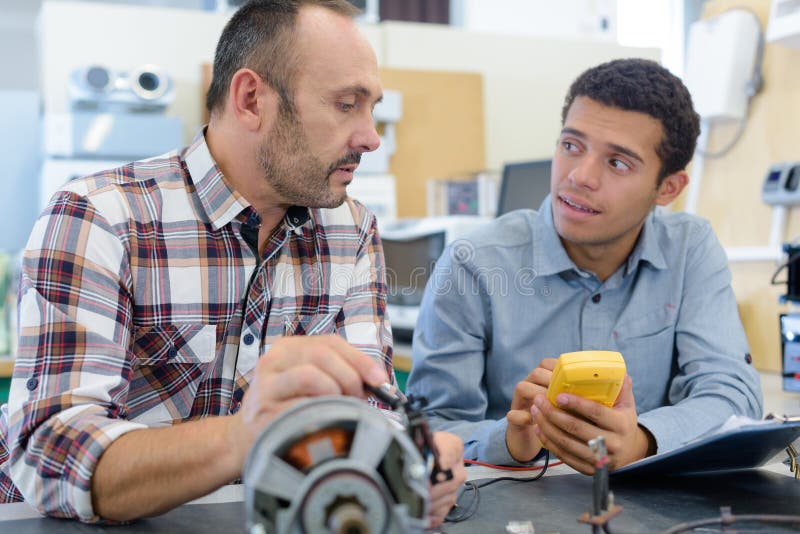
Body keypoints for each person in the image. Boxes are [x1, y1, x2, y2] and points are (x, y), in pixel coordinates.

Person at [0, 0, 465, 525]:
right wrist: (245, 435)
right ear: (251, 100)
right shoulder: (101, 217)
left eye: (371, 107)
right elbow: (50, 456)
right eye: (346, 104)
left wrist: (410, 461)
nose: (370, 136)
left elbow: (373, 411)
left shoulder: (351, 231)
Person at [406, 58, 763, 474]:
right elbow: (430, 431)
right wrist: (508, 440)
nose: (579, 176)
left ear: (668, 188)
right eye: (571, 146)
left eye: (617, 163)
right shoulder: (472, 263)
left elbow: (733, 395)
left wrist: (642, 440)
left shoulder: (690, 248)